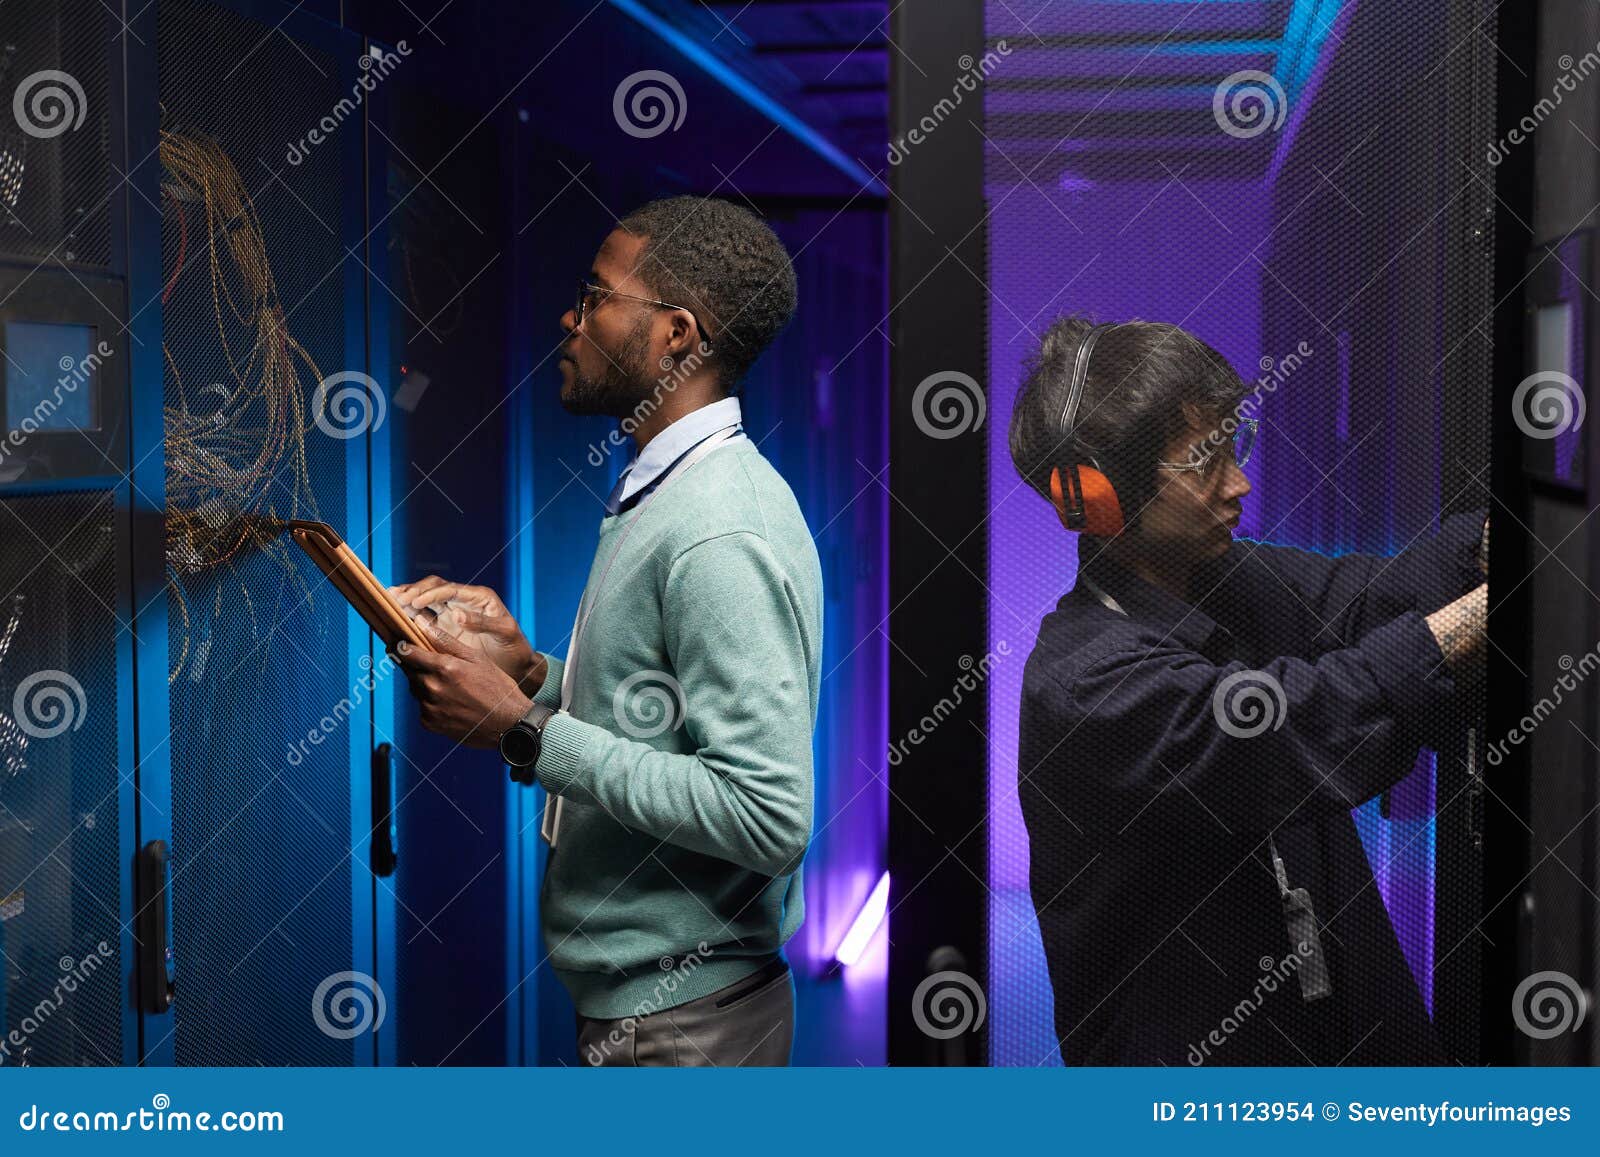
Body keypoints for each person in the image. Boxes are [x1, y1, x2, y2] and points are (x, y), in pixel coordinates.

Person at [389, 196, 820, 1067]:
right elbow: (662, 719)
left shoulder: (718, 525)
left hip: (688, 1029)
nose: (570, 317)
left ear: (675, 335)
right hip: (656, 1014)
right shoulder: (671, 491)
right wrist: (533, 672)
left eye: (595, 296)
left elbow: (769, 814)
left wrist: (523, 728)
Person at [1007, 316, 1488, 1065]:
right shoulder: (1083, 686)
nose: (1239, 482)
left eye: (1235, 446)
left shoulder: (1226, 580)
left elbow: (1364, 599)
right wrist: (1480, 621)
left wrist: (1497, 543)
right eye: (1204, 462)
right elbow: (1297, 729)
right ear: (1100, 496)